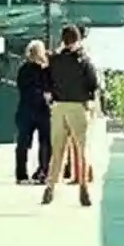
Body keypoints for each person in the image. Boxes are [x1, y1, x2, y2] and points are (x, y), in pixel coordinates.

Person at [42, 24, 99, 206]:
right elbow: (93, 83)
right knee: (82, 150)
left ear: (63, 40)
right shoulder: (83, 59)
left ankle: (50, 187)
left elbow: (46, 81)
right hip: (77, 108)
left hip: (58, 108)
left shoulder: (55, 60)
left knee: (57, 151)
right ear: (78, 40)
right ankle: (83, 187)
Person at [15, 40, 52, 184]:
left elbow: (23, 88)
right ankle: (43, 171)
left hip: (25, 110)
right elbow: (49, 88)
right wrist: (45, 95)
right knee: (45, 142)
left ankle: (21, 174)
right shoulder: (45, 71)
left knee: (23, 143)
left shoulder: (23, 69)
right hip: (42, 110)